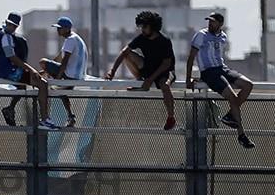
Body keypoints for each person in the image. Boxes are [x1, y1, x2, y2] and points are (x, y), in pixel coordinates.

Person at [189, 11, 254, 148]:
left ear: (220, 24)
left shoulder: (223, 37)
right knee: (232, 97)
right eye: (209, 21)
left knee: (248, 85)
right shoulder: (201, 35)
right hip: (209, 72)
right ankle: (241, 134)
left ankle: (230, 115)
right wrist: (188, 77)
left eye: (213, 21)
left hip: (222, 69)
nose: (210, 23)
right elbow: (191, 56)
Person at [107, 11, 178, 131]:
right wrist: (112, 71)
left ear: (153, 26)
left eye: (144, 27)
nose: (142, 29)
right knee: (128, 54)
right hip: (148, 69)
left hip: (165, 71)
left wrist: (150, 80)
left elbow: (167, 64)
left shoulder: (164, 40)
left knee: (164, 86)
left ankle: (171, 117)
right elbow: (124, 52)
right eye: (140, 27)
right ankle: (140, 80)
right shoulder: (141, 38)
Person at [25, 18, 87, 128]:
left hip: (70, 74)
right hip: (77, 75)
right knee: (62, 92)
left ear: (67, 29)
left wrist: (58, 78)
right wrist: (46, 70)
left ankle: (46, 116)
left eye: (60, 28)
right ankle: (70, 116)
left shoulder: (70, 40)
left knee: (42, 61)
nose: (58, 31)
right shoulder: (75, 38)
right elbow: (58, 58)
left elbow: (64, 61)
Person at [0, 13, 32, 126]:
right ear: (6, 22)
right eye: (10, 24)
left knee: (23, 86)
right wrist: (31, 70)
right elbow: (12, 57)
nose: (11, 27)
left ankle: (10, 108)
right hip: (8, 71)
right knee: (41, 83)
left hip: (7, 70)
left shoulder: (5, 34)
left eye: (14, 26)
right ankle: (42, 117)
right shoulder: (6, 36)